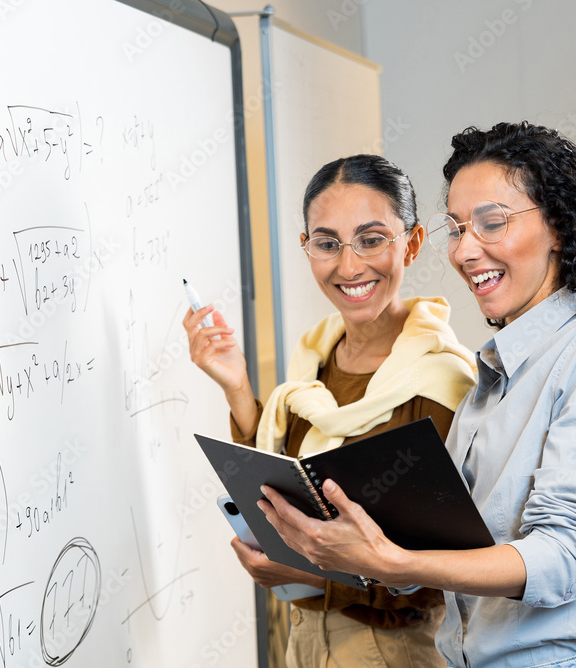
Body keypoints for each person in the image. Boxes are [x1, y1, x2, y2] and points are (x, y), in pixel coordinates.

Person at [257, 122, 576, 668]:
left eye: (492, 223)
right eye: (457, 229)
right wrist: (350, 553)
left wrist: (392, 563)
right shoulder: (496, 377)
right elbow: (453, 550)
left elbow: (561, 560)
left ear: (559, 227)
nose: (464, 250)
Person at [183, 154, 476, 668]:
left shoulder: (444, 383)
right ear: (307, 247)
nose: (349, 266)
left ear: (411, 243)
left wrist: (310, 576)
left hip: (395, 650)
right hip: (304, 640)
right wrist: (236, 385)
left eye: (371, 239)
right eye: (327, 243)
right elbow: (282, 486)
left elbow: (448, 571)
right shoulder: (313, 363)